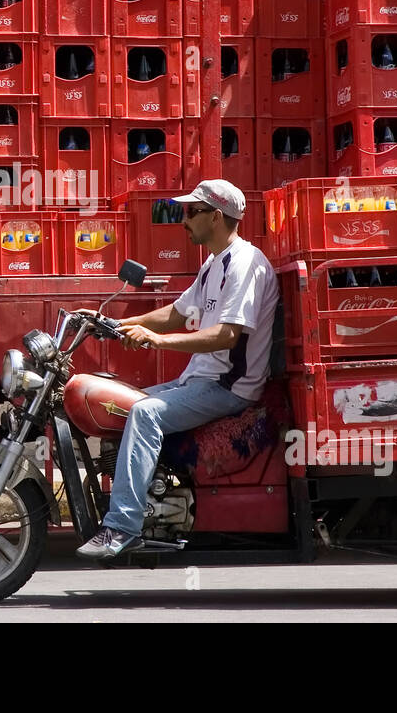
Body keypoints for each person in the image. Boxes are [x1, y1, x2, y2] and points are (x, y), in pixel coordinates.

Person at [76, 179, 280, 559]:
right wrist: (111, 324)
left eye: (191, 212)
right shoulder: (213, 263)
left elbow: (227, 335)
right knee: (117, 407)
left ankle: (121, 528)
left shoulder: (246, 264)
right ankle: (146, 502)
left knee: (144, 413)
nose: (183, 220)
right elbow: (176, 314)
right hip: (199, 379)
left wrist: (157, 341)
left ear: (216, 218)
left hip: (229, 388)